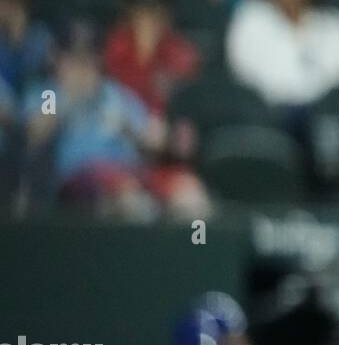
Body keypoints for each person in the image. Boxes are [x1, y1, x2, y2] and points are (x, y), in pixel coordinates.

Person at [22, 23, 210, 220]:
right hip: (79, 180)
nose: (83, 66)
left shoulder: (114, 94)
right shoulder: (49, 93)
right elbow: (35, 132)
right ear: (57, 58)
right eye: (74, 59)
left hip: (130, 172)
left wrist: (159, 135)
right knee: (129, 198)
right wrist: (70, 96)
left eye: (89, 59)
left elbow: (152, 138)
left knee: (188, 191)